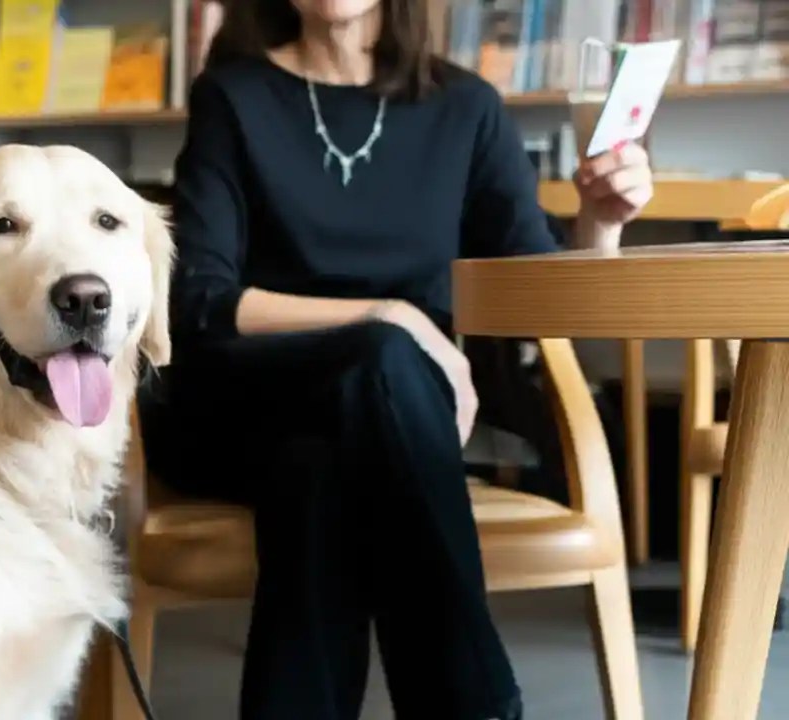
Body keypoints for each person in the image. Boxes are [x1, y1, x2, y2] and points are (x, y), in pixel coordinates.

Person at [151, 1, 655, 718]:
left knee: (320, 463)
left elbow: (543, 296)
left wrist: (602, 221)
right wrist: (394, 318)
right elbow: (199, 301)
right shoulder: (233, 96)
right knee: (374, 366)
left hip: (380, 422)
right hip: (247, 403)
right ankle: (474, 701)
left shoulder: (466, 107)